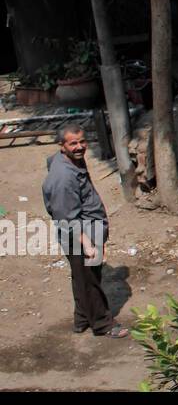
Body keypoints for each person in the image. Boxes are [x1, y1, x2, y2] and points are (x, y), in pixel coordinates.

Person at [42, 124, 127, 338]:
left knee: (83, 278)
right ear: (62, 146)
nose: (79, 147)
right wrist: (87, 244)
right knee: (89, 281)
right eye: (73, 143)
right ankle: (103, 324)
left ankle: (81, 319)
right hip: (80, 237)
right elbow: (67, 217)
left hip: (90, 231)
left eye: (82, 141)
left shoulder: (71, 161)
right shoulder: (64, 177)